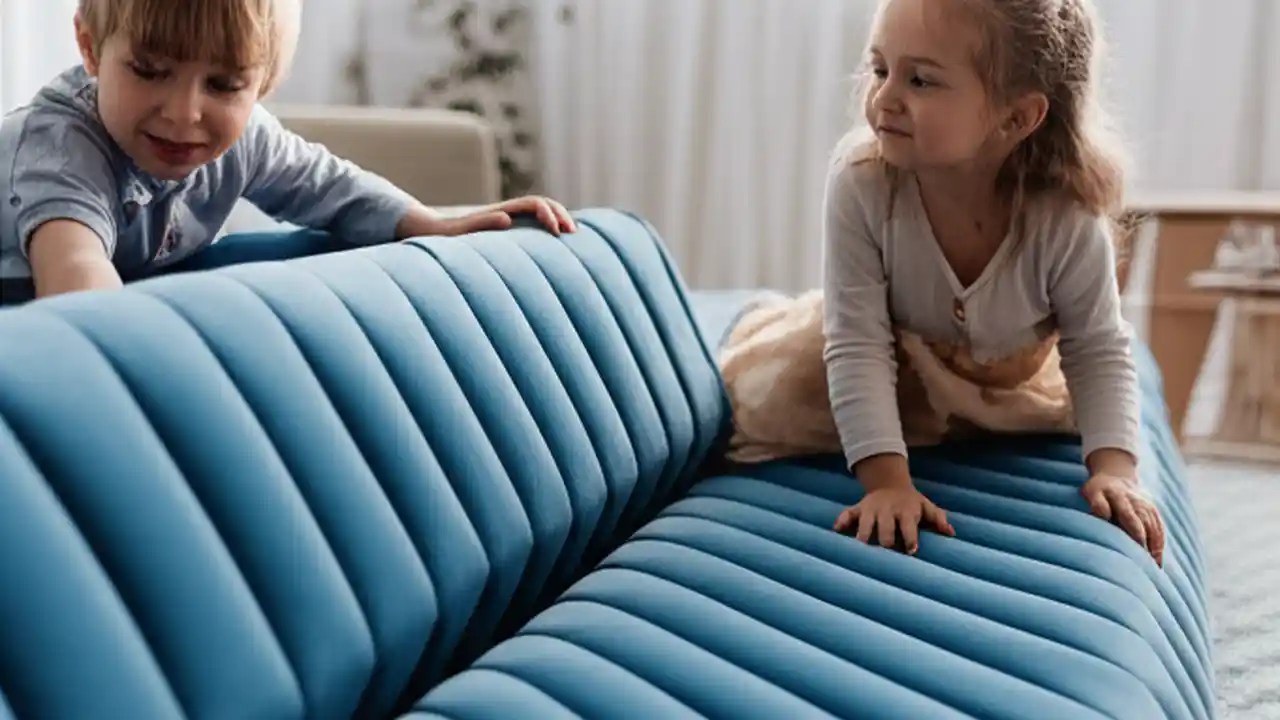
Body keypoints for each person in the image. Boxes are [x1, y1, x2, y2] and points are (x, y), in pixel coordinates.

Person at [822, 0, 1165, 564]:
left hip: (1013, 392)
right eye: (881, 68)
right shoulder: (862, 182)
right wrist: (887, 481)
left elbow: (1097, 346)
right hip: (898, 381)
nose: (884, 98)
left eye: (921, 80)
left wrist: (1114, 470)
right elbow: (856, 340)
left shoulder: (1064, 215)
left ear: (1016, 118)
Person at [0, 0, 576, 306]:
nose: (184, 112)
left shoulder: (245, 138)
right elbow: (74, 273)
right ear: (90, 48)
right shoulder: (62, 147)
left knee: (307, 249)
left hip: (115, 282)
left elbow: (330, 187)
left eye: (224, 86)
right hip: (28, 300)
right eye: (149, 71)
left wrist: (431, 225)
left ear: (265, 83)